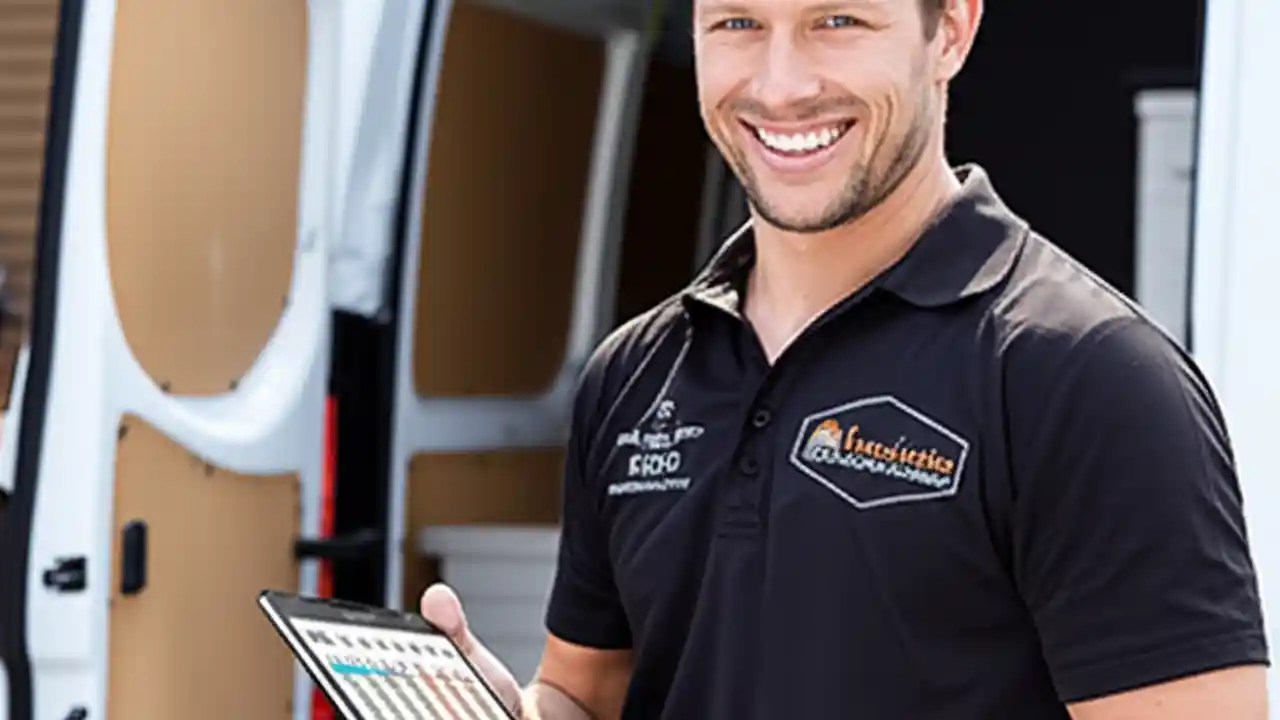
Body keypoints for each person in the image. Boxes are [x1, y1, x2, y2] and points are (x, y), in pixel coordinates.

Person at [422, 0, 1271, 717]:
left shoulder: (1089, 378)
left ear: (951, 32)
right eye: (738, 23)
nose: (781, 84)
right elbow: (588, 694)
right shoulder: (632, 376)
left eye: (836, 20)